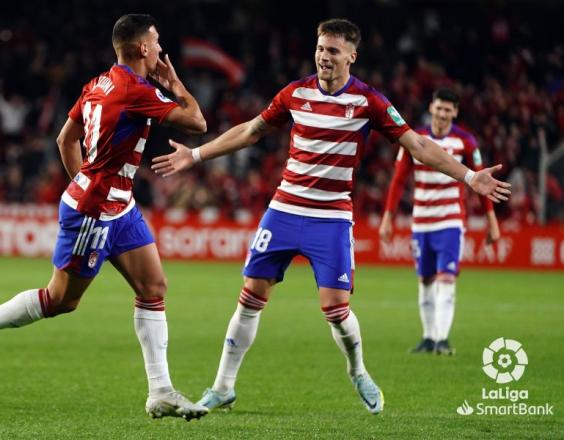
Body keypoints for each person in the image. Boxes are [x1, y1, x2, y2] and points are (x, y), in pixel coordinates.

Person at [151, 18, 510, 414]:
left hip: (331, 217)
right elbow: (251, 131)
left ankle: (357, 371)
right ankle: (222, 386)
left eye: (333, 51)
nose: (324, 56)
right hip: (284, 210)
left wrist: (470, 175)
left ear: (351, 57)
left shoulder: (368, 101)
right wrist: (195, 154)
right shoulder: (295, 92)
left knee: (336, 311)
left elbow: (419, 146)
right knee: (250, 297)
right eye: (321, 48)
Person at [0, 14, 209, 421]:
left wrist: (86, 180)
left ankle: (161, 392)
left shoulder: (98, 83)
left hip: (119, 204)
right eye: (156, 43)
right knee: (60, 300)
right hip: (96, 210)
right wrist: (175, 86)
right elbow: (198, 122)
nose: (160, 50)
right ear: (142, 49)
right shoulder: (137, 90)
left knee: (153, 286)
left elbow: (64, 139)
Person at [379, 88, 501, 355]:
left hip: (450, 222)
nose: (443, 114)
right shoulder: (415, 140)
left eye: (449, 110)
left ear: (455, 112)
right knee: (425, 280)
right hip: (421, 221)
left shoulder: (466, 142)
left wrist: (492, 221)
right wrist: (387, 217)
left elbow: (481, 183)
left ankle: (442, 339)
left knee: (446, 278)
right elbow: (399, 180)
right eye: (439, 108)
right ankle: (428, 337)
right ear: (431, 107)